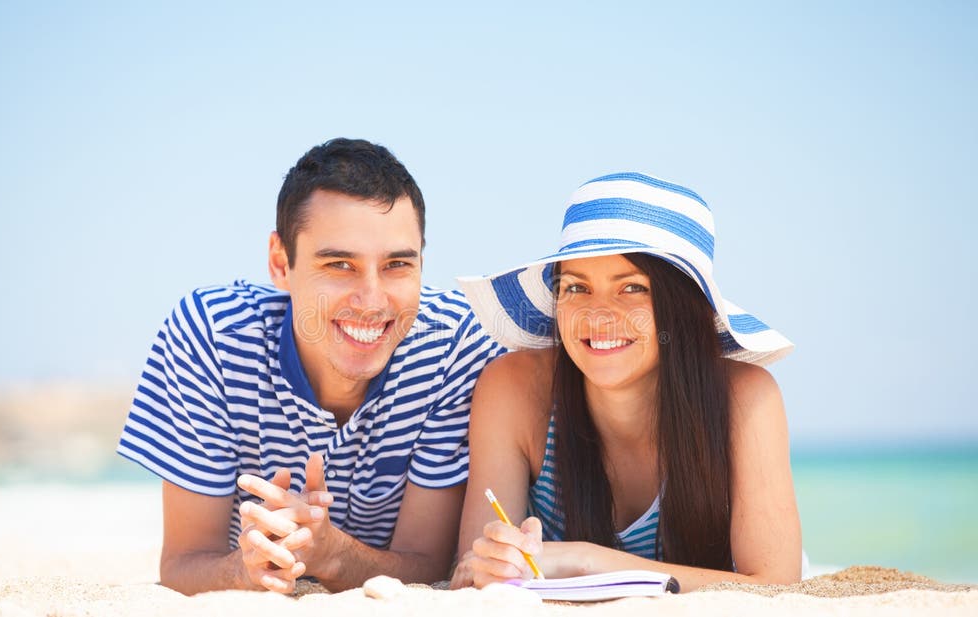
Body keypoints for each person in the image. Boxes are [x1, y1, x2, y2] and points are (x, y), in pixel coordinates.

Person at [117, 138, 503, 594]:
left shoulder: (453, 345)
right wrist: (244, 571)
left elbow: (432, 565)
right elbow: (182, 563)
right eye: (340, 265)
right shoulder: (212, 336)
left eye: (398, 264)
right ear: (281, 263)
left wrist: (330, 552)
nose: (373, 301)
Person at [451, 172, 801, 591]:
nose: (597, 316)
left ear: (683, 309)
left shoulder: (745, 399)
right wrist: (492, 564)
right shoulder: (513, 388)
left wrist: (585, 560)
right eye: (577, 287)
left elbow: (776, 587)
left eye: (632, 287)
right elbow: (472, 571)